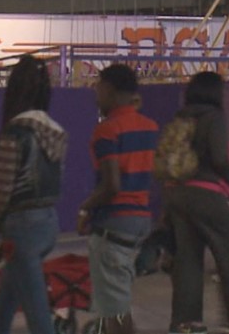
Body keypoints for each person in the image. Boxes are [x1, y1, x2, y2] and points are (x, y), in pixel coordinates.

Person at [161, 71, 229, 334]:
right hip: (206, 193)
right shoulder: (213, 117)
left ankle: (185, 321)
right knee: (227, 254)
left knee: (188, 259)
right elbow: (219, 157)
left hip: (177, 193)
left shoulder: (180, 117)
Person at [77, 64, 160, 334]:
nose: (96, 95)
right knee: (116, 298)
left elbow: (111, 185)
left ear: (109, 89)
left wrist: (85, 209)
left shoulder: (107, 130)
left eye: (98, 88)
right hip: (141, 221)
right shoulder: (150, 127)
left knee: (116, 310)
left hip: (114, 222)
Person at [0, 54, 67, 334]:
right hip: (48, 222)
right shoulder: (55, 132)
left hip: (21, 227)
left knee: (38, 316)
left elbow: (2, 188)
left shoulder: (14, 132)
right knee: (3, 307)